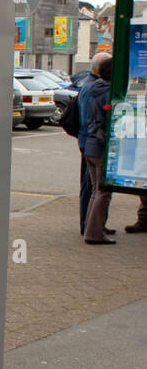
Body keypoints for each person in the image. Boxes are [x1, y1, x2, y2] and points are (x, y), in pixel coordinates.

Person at [78, 53, 113, 234]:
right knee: (96, 189)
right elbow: (86, 119)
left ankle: (94, 225)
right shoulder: (95, 89)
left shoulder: (93, 87)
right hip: (92, 143)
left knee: (94, 189)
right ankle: (89, 227)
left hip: (89, 142)